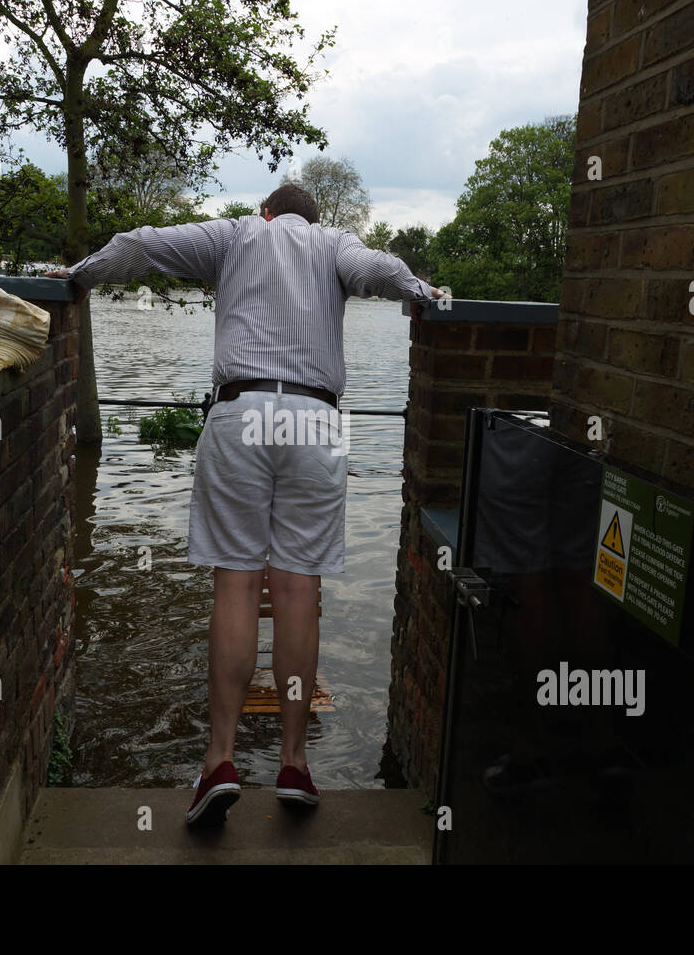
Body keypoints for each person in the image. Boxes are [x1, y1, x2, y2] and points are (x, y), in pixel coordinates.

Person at [46, 183, 449, 825]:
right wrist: (420, 291)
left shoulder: (235, 234)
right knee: (296, 592)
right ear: (314, 221)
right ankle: (295, 764)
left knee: (235, 589)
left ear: (267, 212)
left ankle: (220, 762)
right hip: (314, 422)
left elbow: (139, 245)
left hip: (242, 409)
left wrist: (79, 275)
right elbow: (379, 270)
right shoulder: (334, 244)